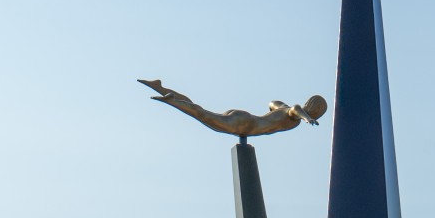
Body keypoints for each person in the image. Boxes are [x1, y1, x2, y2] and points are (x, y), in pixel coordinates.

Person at [139, 79, 326, 138]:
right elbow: (296, 109)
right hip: (246, 126)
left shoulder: (282, 107)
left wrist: (271, 116)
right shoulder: (293, 116)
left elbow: (273, 102)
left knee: (203, 113)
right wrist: (306, 118)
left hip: (245, 118)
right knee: (202, 114)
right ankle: (171, 100)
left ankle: (162, 88)